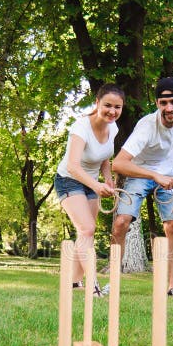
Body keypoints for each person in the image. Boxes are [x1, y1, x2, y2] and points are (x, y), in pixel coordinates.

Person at [111, 77, 173, 300]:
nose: (169, 108)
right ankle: (112, 283)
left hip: (168, 177)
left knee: (172, 226)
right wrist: (154, 175)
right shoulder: (147, 127)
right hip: (140, 174)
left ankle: (172, 287)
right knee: (121, 222)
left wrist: (164, 176)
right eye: (163, 103)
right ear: (157, 103)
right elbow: (118, 164)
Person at [54, 83, 125, 296]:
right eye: (108, 105)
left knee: (86, 233)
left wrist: (108, 179)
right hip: (69, 180)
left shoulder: (113, 128)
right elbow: (73, 166)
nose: (112, 111)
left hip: (92, 182)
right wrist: (96, 185)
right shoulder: (81, 127)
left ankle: (74, 282)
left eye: (117, 107)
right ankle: (93, 285)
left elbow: (104, 157)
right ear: (97, 103)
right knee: (87, 229)